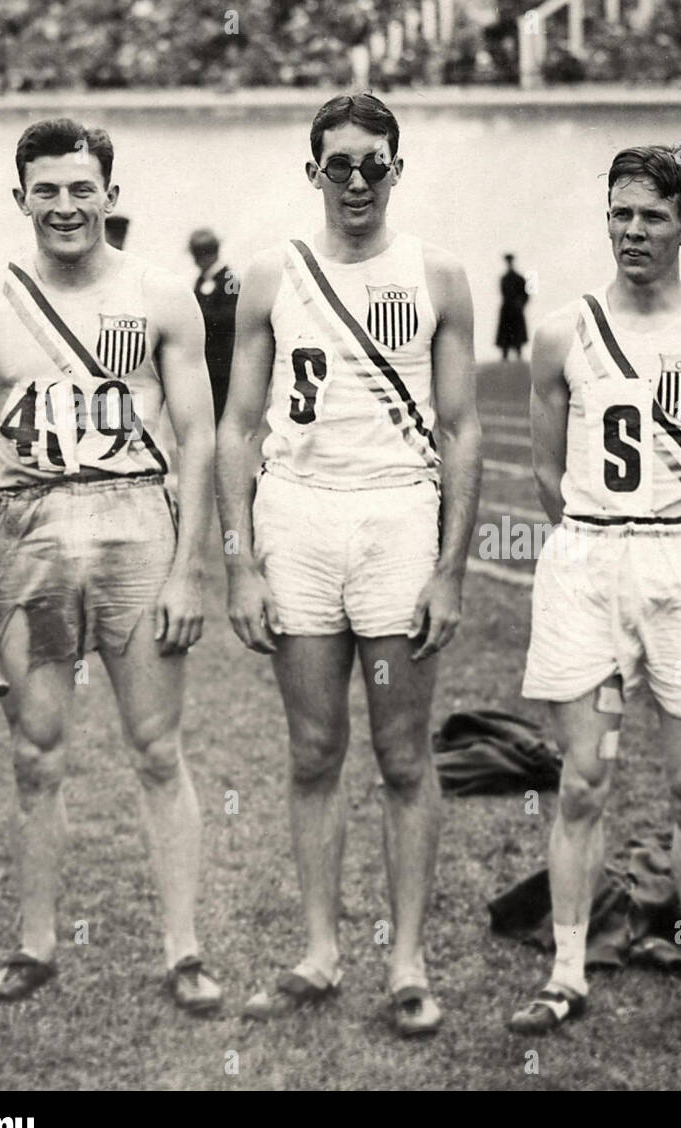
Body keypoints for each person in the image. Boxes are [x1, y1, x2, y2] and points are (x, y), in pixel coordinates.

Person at [0, 118, 221, 1012]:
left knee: (155, 747)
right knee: (35, 753)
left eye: (81, 187)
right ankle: (34, 945)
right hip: (27, 528)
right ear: (21, 196)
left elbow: (201, 439)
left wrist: (189, 568)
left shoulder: (163, 296)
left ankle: (184, 951)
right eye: (47, 190)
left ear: (109, 191)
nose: (65, 204)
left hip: (135, 520)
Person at [215, 93, 481, 1037]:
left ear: (397, 170)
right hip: (297, 521)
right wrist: (240, 564)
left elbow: (459, 427)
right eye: (340, 165)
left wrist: (450, 568)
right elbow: (239, 427)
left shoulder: (437, 274)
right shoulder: (271, 275)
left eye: (375, 164)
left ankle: (407, 963)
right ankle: (320, 952)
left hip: (398, 521)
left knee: (405, 755)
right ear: (313, 171)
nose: (357, 181)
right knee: (314, 750)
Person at [511, 140, 681, 1046]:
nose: (632, 230)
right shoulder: (563, 331)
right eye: (620, 213)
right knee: (582, 780)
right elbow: (549, 472)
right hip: (587, 560)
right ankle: (567, 968)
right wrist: (606, 543)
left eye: (652, 216)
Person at [189, 228, 239, 422]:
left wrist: (201, 317)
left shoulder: (229, 279)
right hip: (204, 357)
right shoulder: (200, 280)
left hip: (223, 358)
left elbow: (231, 315)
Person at [496, 253, 528, 361]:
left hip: (515, 310)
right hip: (507, 309)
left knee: (517, 335)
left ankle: (518, 357)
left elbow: (525, 295)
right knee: (506, 336)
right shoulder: (504, 279)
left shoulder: (519, 278)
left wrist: (520, 304)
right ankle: (505, 357)